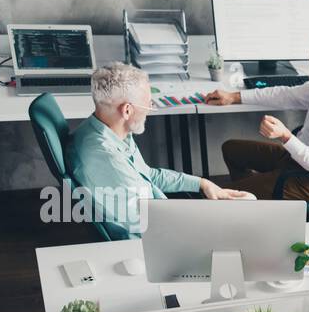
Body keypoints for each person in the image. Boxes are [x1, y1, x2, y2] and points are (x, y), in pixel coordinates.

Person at [71, 62, 248, 236]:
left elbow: (147, 175)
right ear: (127, 111)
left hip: (162, 217)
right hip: (154, 239)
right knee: (248, 210)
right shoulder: (107, 159)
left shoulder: (111, 132)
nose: (150, 110)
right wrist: (221, 216)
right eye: (148, 104)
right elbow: (156, 224)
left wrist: (202, 183)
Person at [204, 23, 309, 201]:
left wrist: (285, 136)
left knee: (219, 195)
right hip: (295, 160)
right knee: (231, 149)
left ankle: (245, 201)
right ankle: (251, 204)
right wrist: (234, 96)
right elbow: (288, 95)